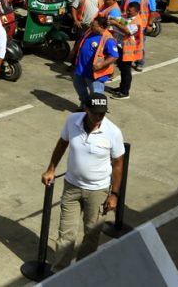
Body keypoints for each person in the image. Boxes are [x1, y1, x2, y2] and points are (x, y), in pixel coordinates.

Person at [42, 93, 124, 269]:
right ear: (86, 108)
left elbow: (118, 164)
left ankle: (82, 271)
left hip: (98, 191)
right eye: (95, 113)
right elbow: (62, 143)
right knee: (66, 233)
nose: (99, 117)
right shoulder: (72, 121)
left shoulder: (113, 132)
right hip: (71, 186)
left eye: (102, 114)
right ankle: (60, 272)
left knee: (91, 234)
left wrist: (115, 194)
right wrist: (51, 169)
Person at [73, 16, 118, 109]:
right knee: (78, 86)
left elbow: (114, 56)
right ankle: (85, 104)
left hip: (95, 74)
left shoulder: (108, 39)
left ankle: (95, 113)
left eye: (93, 25)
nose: (90, 26)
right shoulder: (90, 31)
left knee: (96, 96)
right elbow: (81, 40)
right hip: (81, 69)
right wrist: (73, 51)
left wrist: (101, 65)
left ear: (101, 27)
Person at [107, 2, 143, 100]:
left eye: (130, 11)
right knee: (122, 69)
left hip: (128, 50)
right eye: (127, 10)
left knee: (126, 71)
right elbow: (123, 22)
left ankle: (125, 92)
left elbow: (128, 31)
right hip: (121, 46)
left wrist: (115, 23)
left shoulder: (137, 21)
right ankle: (121, 88)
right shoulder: (128, 17)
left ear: (136, 11)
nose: (127, 12)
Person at [121, 0, 156, 71]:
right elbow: (122, 7)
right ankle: (128, 59)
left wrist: (150, 24)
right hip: (127, 23)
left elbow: (152, 12)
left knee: (139, 45)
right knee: (127, 43)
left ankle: (140, 62)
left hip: (141, 26)